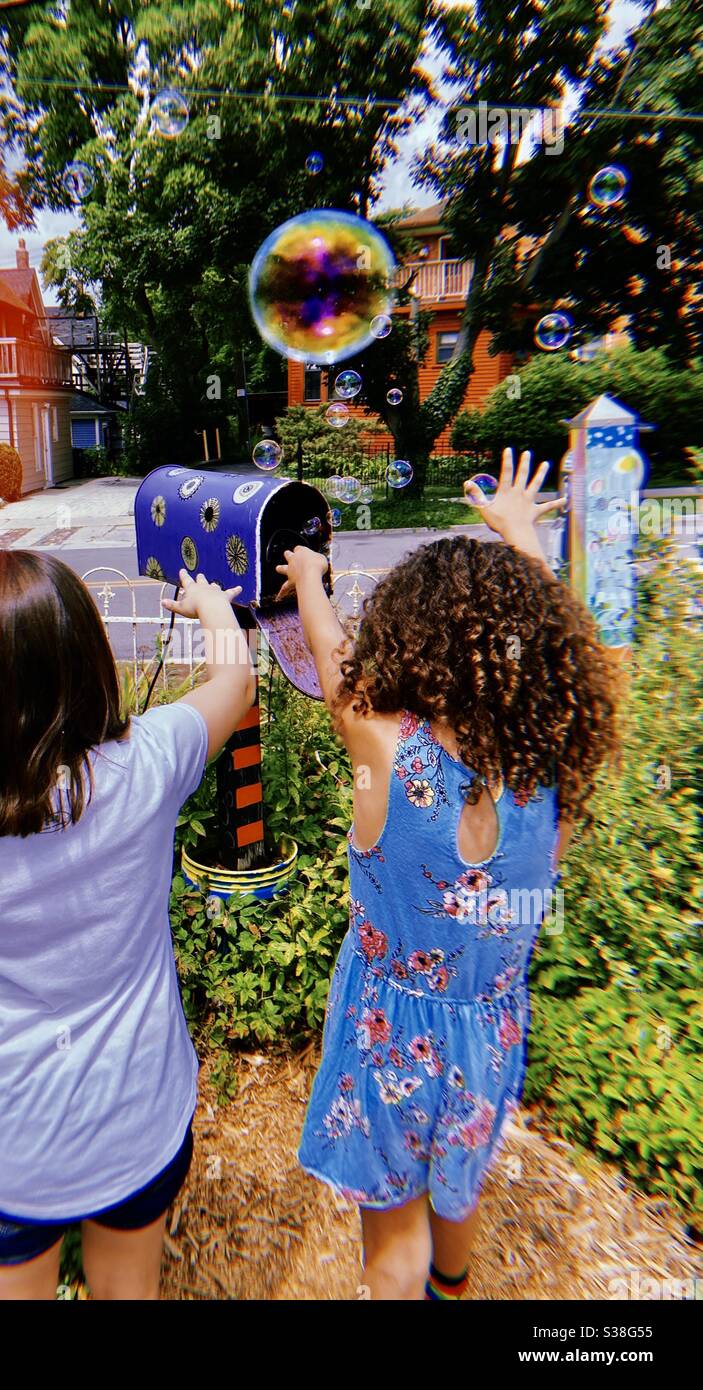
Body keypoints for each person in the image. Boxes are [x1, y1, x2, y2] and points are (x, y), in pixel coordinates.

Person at [278, 450, 620, 1300]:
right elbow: (565, 665)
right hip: (488, 1031)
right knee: (458, 1178)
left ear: (409, 637)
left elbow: (332, 670)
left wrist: (312, 576)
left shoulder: (388, 750)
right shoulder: (554, 771)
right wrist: (522, 540)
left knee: (392, 1240)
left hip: (389, 1026)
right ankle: (454, 1284)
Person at [0, 552, 253, 1300]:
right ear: (87, 658)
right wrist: (213, 611)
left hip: (7, 1142)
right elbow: (233, 685)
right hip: (136, 1117)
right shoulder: (149, 762)